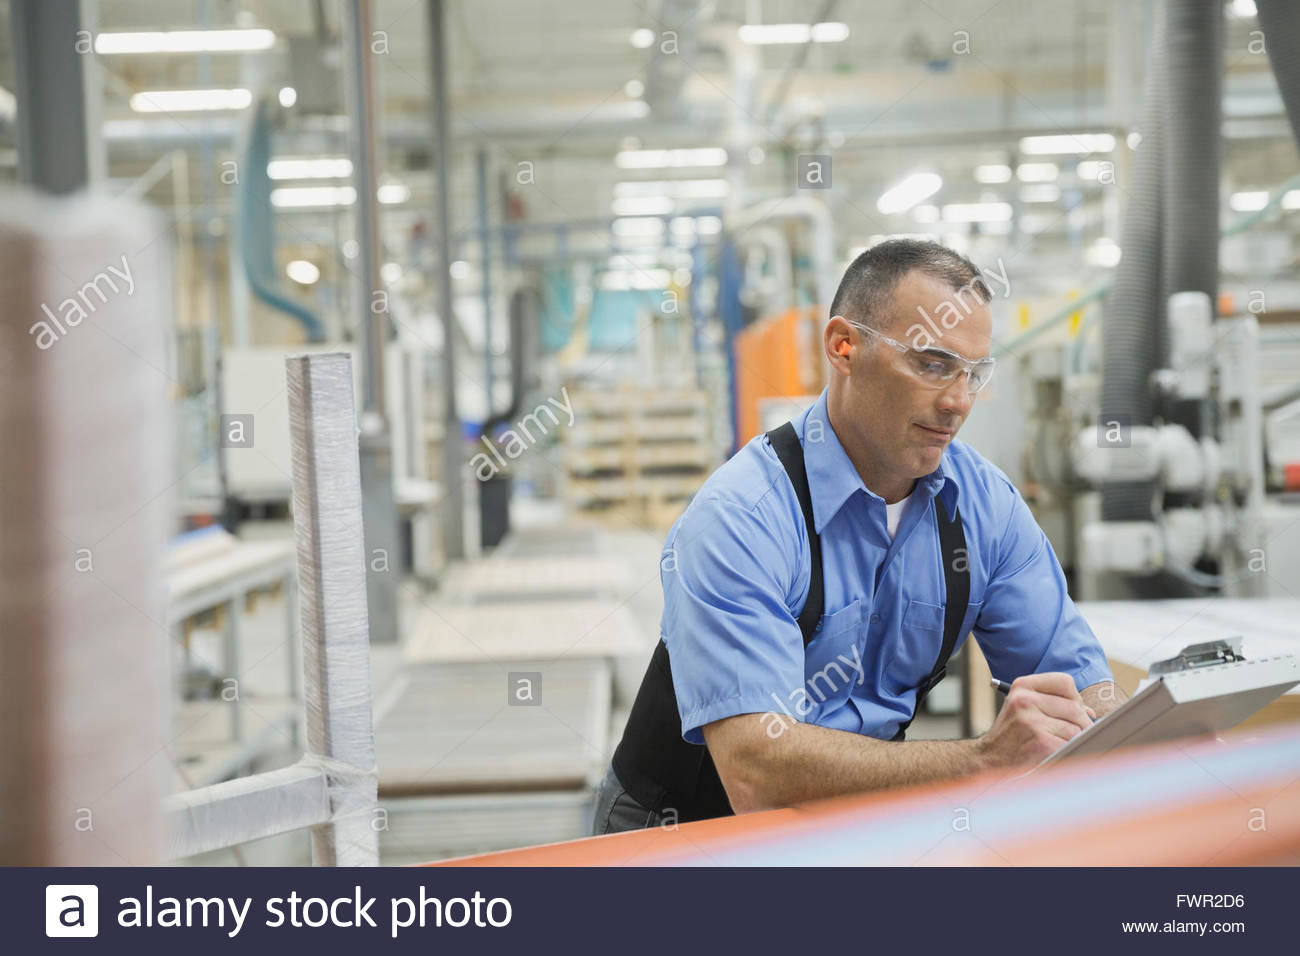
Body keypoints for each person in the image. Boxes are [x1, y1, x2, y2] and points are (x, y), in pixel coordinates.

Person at [591, 238, 1129, 836]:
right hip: (686, 830)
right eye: (931, 363)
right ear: (843, 347)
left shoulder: (984, 507)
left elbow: (1083, 684)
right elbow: (755, 773)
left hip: (858, 820)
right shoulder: (743, 516)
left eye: (975, 373)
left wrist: (1123, 730)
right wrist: (982, 763)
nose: (957, 401)